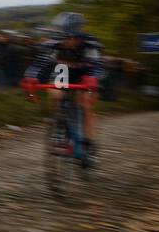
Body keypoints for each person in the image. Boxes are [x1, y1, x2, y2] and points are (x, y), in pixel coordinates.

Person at [21, 11, 104, 162]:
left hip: (86, 74)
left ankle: (89, 144)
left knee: (86, 103)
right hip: (64, 71)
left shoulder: (91, 44)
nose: (66, 42)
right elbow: (39, 64)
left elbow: (99, 66)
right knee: (56, 93)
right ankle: (59, 124)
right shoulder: (52, 44)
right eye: (63, 37)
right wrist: (31, 78)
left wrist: (94, 78)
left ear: (78, 36)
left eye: (70, 38)